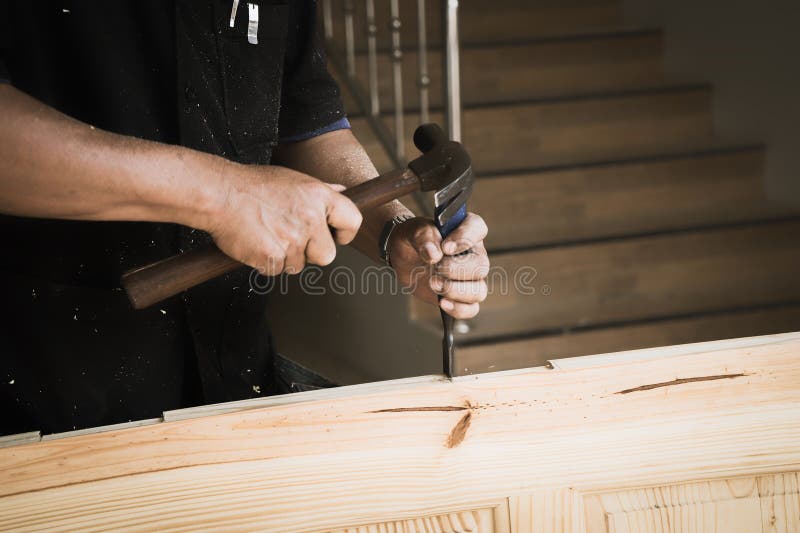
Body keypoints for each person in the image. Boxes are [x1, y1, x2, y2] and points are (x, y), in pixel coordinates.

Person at [0, 1, 490, 436]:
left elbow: (307, 123)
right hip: (45, 383)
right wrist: (224, 195)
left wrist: (394, 232)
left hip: (232, 366)